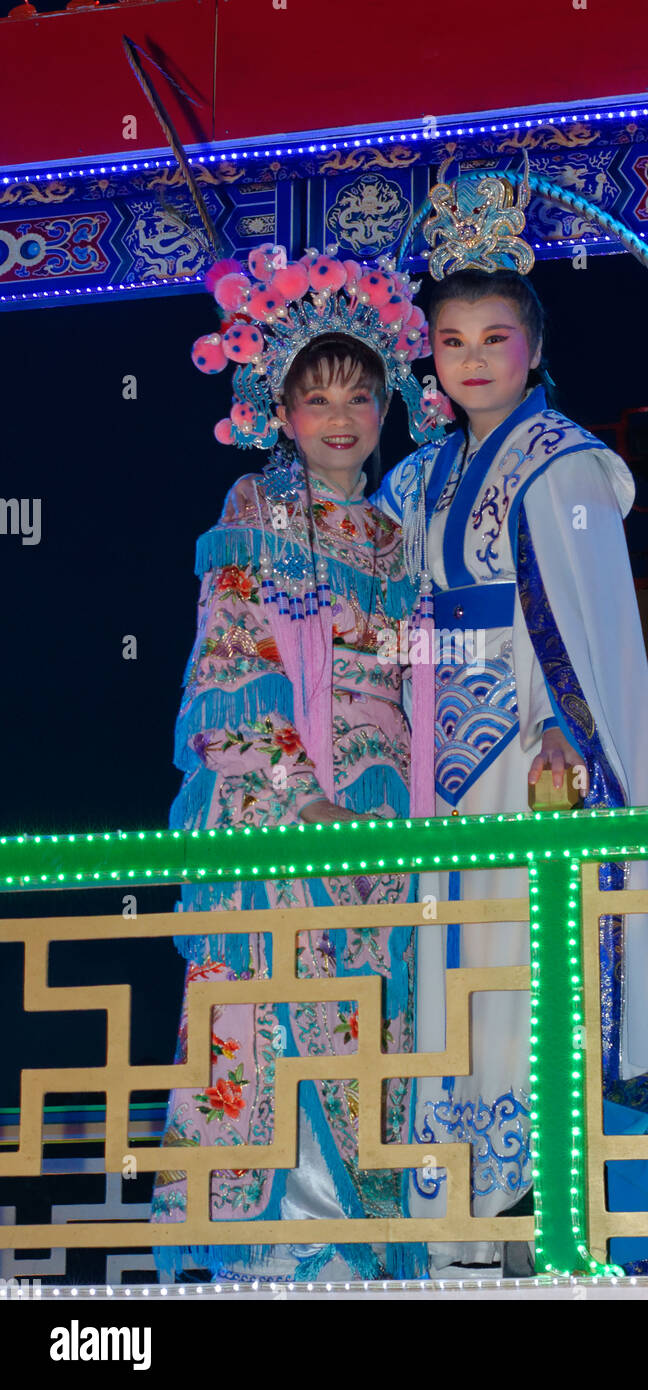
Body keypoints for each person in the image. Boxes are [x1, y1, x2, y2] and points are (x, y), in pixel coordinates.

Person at [373, 257, 648, 1277]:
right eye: (451, 342)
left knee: (541, 974)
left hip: (532, 759)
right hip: (439, 763)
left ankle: (575, 1212)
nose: (472, 360)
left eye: (495, 338)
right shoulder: (422, 477)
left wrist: (568, 730)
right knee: (455, 973)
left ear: (533, 347)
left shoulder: (563, 463)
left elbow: (590, 633)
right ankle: (464, 1218)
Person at [150, 242, 445, 1284]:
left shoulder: (401, 534)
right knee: (273, 1010)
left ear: (388, 407)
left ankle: (366, 1254)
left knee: (383, 1012)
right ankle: (273, 1257)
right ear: (278, 413)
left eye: (359, 397)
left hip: (391, 806)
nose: (339, 418)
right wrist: (297, 790)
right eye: (314, 398)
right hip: (285, 809)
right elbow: (232, 661)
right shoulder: (255, 511)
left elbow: (431, 679)